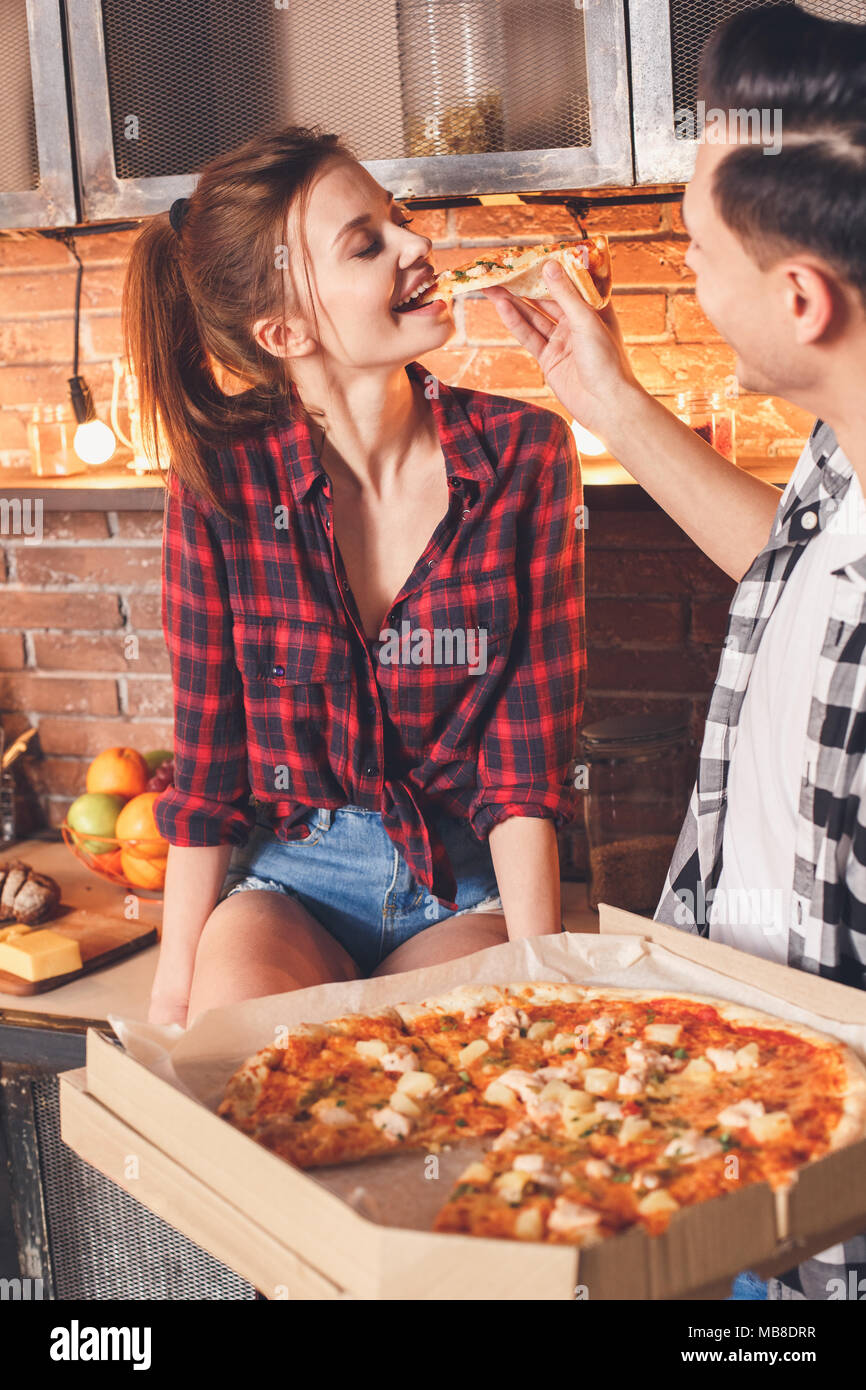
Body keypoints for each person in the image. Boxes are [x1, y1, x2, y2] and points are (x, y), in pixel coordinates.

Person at [483, 3, 866, 1301]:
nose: (686, 277)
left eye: (696, 248)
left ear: (800, 297)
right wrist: (608, 400)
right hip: (755, 1167)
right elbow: (804, 577)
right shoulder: (842, 442)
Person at [122, 126, 584, 1029]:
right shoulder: (220, 483)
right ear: (285, 330)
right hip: (290, 882)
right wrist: (175, 994)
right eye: (367, 243)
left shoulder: (527, 456)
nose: (418, 247)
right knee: (252, 1085)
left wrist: (544, 971)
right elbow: (207, 764)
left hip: (465, 880)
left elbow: (527, 766)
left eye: (399, 219)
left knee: (468, 1102)